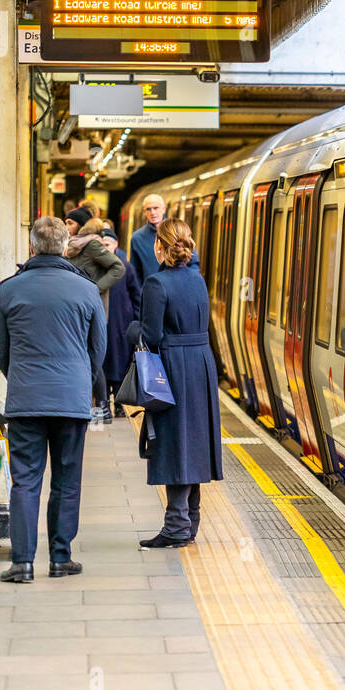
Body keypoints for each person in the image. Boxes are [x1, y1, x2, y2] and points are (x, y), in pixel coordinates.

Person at [0, 216, 107, 582]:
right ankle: (60, 558)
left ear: (32, 247)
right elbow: (98, 350)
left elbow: (3, 350)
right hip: (71, 400)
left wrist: (22, 381)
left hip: (26, 399)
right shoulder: (86, 289)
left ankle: (22, 563)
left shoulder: (8, 289)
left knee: (26, 482)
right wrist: (79, 383)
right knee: (67, 480)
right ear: (64, 246)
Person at [138, 218, 222, 548]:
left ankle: (175, 526)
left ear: (159, 245)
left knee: (174, 442)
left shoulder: (157, 284)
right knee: (194, 441)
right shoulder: (197, 279)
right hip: (201, 364)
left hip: (174, 366)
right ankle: (190, 520)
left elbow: (152, 335)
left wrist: (133, 331)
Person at [66, 218, 125, 424]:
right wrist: (94, 289)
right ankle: (99, 408)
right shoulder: (85, 245)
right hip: (85, 306)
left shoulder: (81, 245)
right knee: (90, 355)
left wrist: (94, 287)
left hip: (85, 307)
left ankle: (101, 409)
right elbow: (117, 267)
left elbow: (117, 268)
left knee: (91, 355)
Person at [100, 224, 141, 414]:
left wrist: (137, 322)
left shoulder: (126, 268)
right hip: (103, 326)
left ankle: (118, 403)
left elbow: (136, 297)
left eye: (107, 244)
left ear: (116, 246)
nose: (104, 249)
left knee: (120, 364)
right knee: (102, 364)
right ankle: (103, 405)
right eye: (100, 245)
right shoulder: (95, 269)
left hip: (121, 327)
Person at [129, 194, 166, 288]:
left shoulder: (177, 232)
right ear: (144, 212)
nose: (152, 212)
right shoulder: (137, 238)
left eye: (156, 208)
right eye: (148, 209)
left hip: (175, 293)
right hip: (150, 293)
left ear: (164, 209)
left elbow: (192, 262)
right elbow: (135, 272)